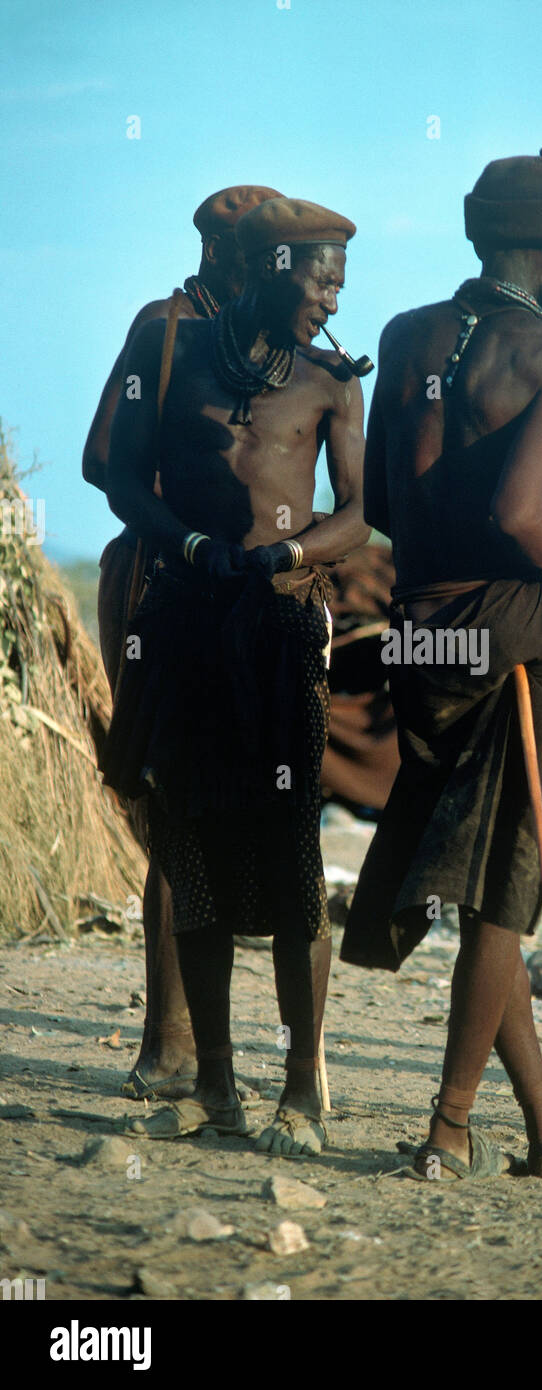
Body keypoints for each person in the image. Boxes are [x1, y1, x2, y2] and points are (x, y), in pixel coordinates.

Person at [340, 146, 542, 1179]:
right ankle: (450, 1128)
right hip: (508, 640)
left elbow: (378, 505)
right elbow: (519, 514)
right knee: (503, 891)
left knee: (483, 885)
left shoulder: (406, 333)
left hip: (420, 633)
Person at [100, 195, 369, 1153]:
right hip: (183, 624)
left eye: (340, 278)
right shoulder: (165, 354)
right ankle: (214, 1080)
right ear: (261, 270)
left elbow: (357, 515)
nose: (332, 295)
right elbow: (111, 470)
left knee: (295, 861)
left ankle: (303, 1085)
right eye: (318, 276)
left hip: (283, 631)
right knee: (195, 855)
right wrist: (193, 543)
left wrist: (288, 558)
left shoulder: (333, 383)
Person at [83, 185, 283, 1102]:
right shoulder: (164, 330)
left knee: (254, 802)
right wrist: (188, 525)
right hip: (164, 581)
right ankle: (168, 1045)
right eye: (262, 255)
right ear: (224, 257)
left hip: (253, 588)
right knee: (172, 798)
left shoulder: (274, 341)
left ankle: (244, 1060)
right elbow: (102, 461)